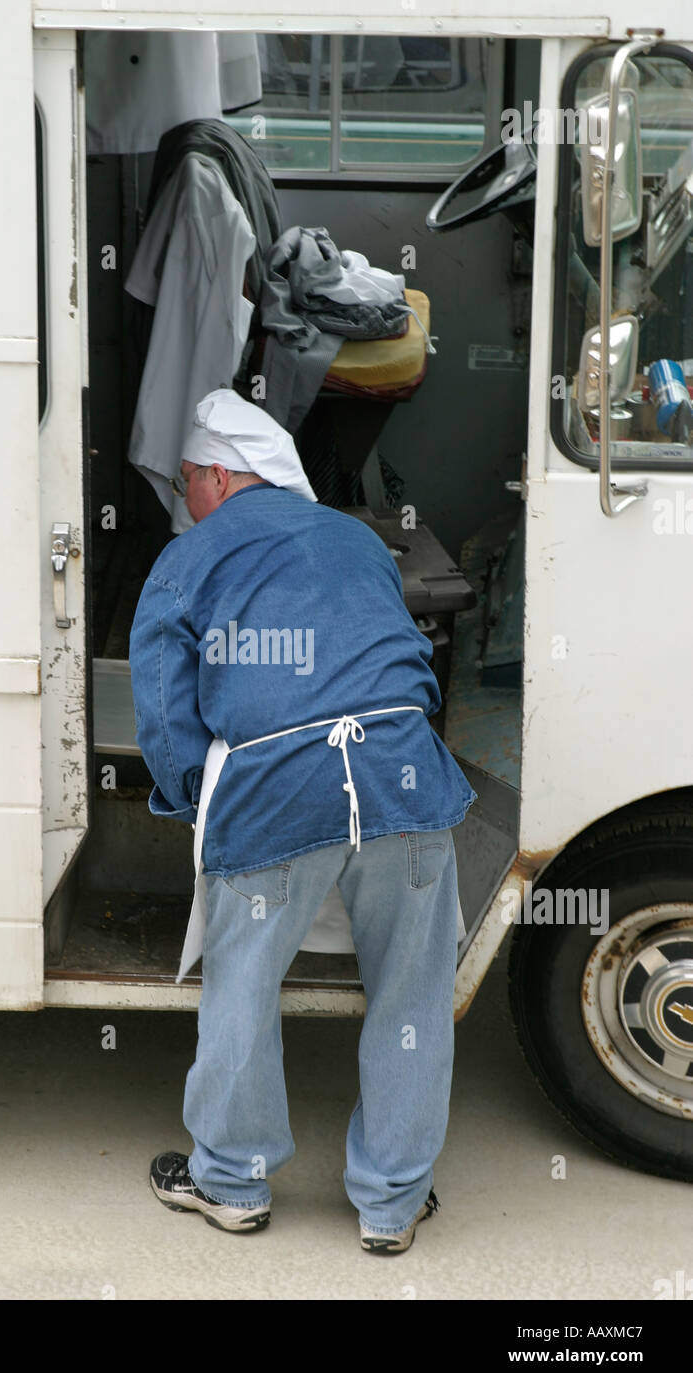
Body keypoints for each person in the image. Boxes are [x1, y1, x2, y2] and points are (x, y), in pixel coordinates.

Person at [128, 388, 476, 1254]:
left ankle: (230, 1182)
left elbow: (165, 712)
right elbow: (399, 652)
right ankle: (392, 1204)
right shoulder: (356, 537)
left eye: (184, 480)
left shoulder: (186, 559)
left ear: (218, 477)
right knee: (413, 993)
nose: (182, 498)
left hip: (278, 786)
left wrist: (198, 801)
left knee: (242, 986)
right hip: (404, 777)